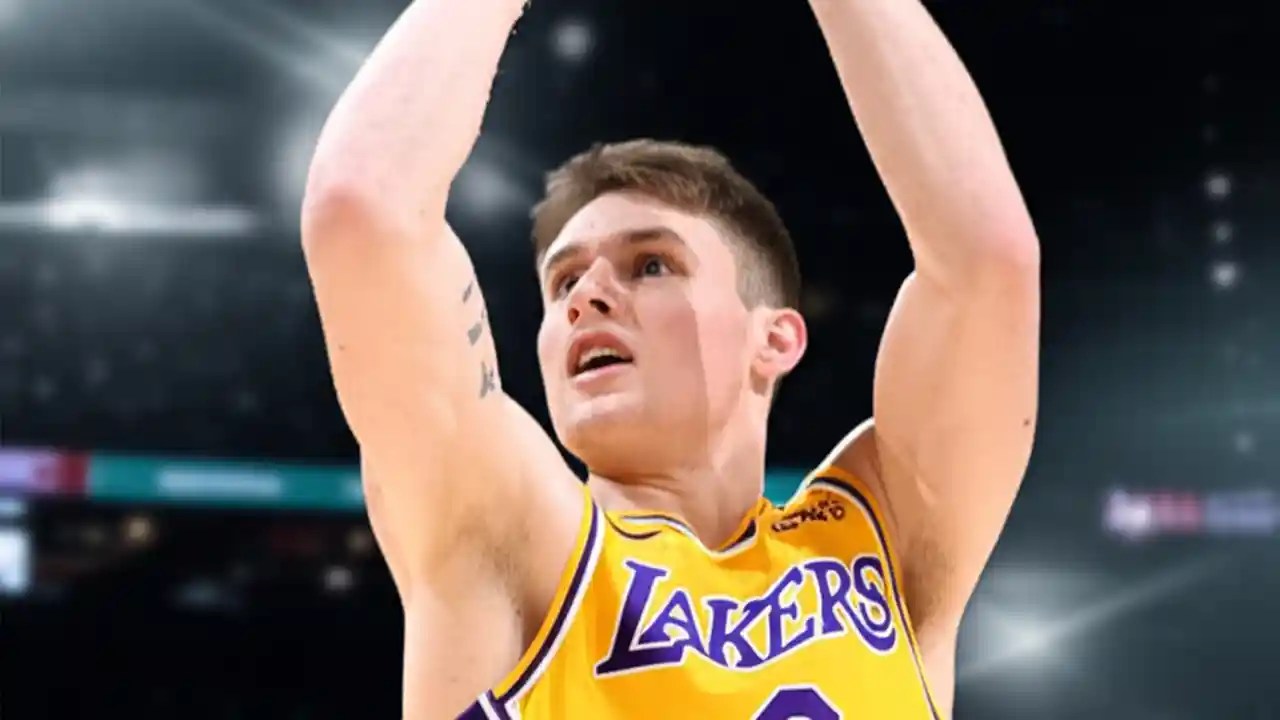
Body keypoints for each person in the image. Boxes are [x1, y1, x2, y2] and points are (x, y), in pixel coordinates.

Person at [300, 0, 1040, 718]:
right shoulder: (514, 531)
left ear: (775, 338)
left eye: (651, 265)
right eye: (562, 282)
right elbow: (363, 208)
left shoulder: (877, 542)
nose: (586, 296)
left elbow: (987, 261)